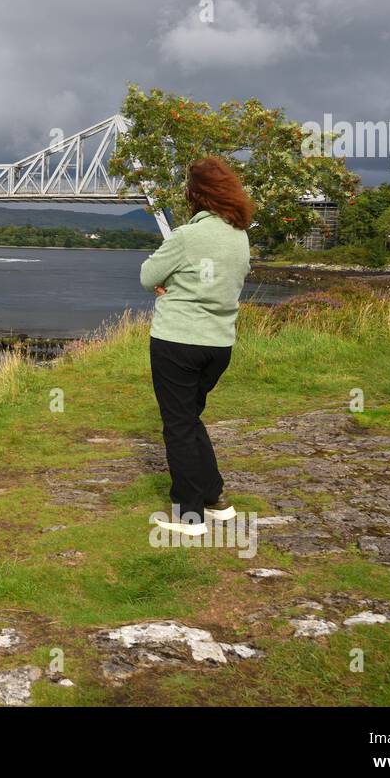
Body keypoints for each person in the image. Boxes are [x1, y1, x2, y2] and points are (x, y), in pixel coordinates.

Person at [140, 157, 254, 537]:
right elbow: (226, 281)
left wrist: (169, 282)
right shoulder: (239, 236)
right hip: (219, 345)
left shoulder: (186, 236)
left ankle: (188, 515)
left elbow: (147, 275)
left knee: (177, 426)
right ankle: (213, 497)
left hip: (178, 341)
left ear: (195, 195)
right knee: (189, 418)